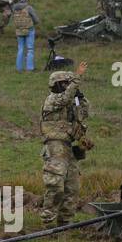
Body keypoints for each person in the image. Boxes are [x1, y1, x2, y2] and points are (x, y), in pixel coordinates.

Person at [39, 62, 90, 226]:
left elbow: (83, 114)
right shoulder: (53, 99)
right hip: (55, 147)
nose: (68, 86)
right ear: (57, 84)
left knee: (72, 188)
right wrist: (77, 77)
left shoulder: (69, 103)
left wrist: (80, 98)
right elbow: (65, 97)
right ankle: (48, 220)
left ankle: (64, 222)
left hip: (68, 148)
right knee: (56, 186)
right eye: (65, 83)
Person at [10, 0, 41, 72]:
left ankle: (19, 69)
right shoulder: (29, 8)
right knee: (30, 49)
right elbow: (36, 20)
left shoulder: (14, 8)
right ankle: (30, 68)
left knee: (20, 48)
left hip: (19, 31)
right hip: (29, 30)